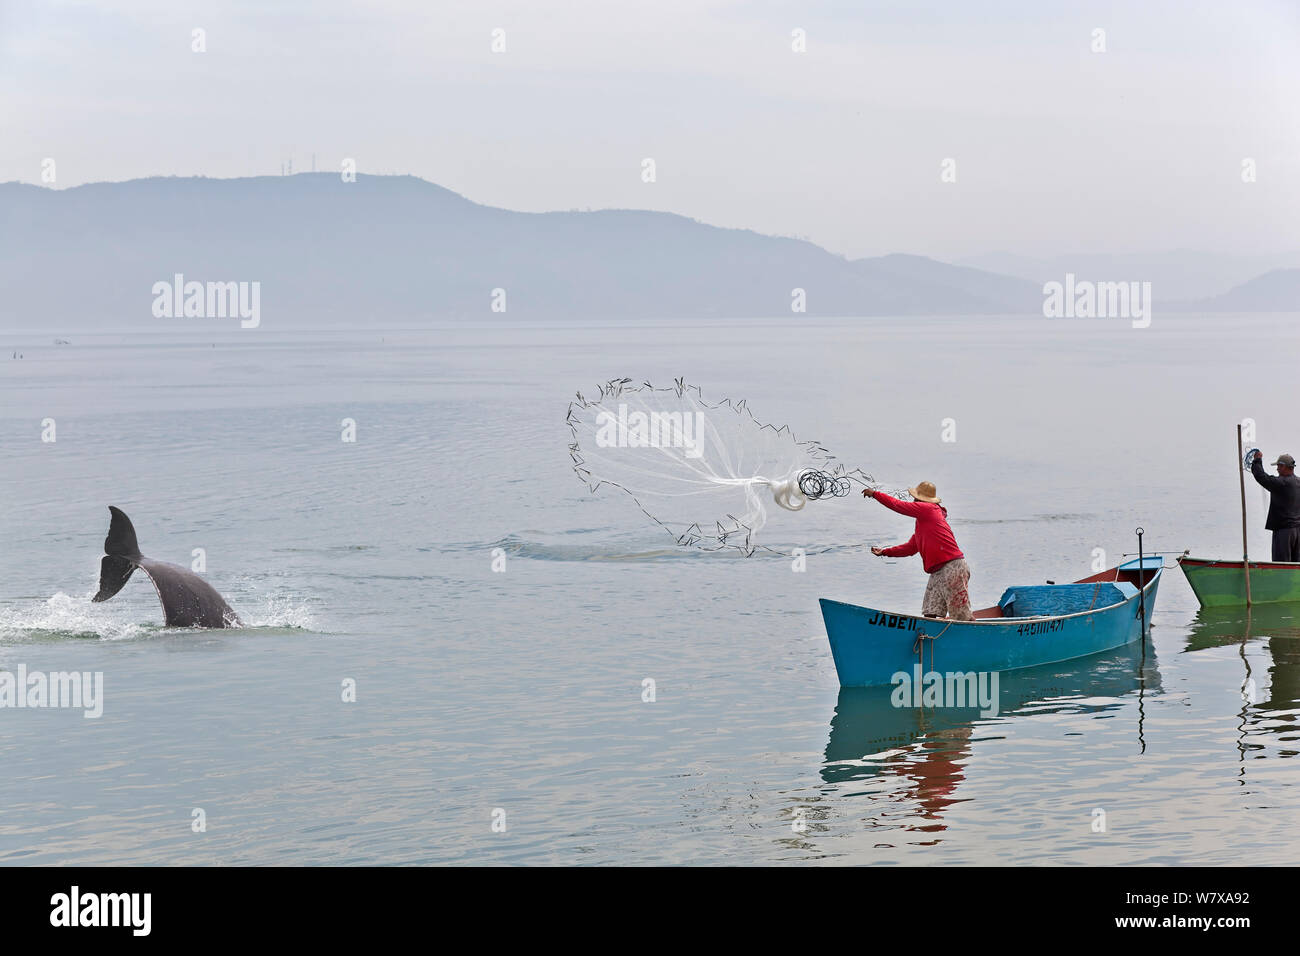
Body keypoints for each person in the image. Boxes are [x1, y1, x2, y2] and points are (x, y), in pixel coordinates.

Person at [863, 481, 973, 621]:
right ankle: (929, 638)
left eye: (915, 498)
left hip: (953, 567)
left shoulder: (929, 509)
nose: (913, 501)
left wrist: (875, 494)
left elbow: (898, 505)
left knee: (961, 616)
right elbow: (910, 548)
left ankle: (973, 636)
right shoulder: (924, 522)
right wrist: (885, 552)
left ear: (921, 500)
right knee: (929, 613)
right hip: (937, 571)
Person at [1250, 451, 1300, 561]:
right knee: (1296, 565)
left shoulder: (1281, 483)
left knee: (1282, 564)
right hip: (1297, 531)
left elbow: (1261, 477)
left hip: (1284, 531)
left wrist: (1257, 460)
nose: (1277, 469)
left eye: (1278, 466)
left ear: (1284, 467)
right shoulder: (1298, 482)